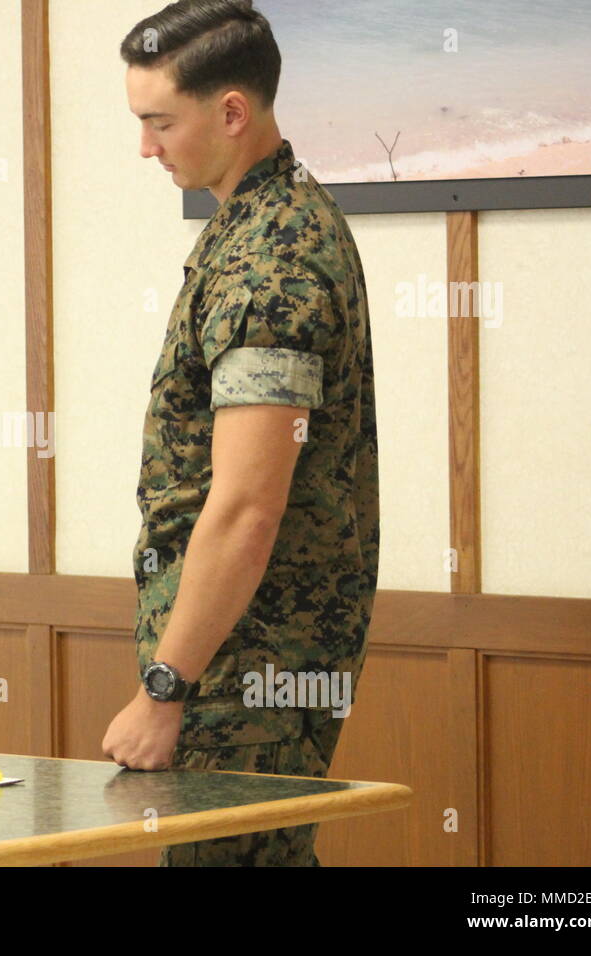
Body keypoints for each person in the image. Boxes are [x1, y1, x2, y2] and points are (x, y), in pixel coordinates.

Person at [101, 0, 380, 866]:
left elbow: (250, 505)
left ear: (232, 111)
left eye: (159, 122)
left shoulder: (275, 261)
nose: (146, 146)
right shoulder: (259, 221)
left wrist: (165, 686)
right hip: (239, 649)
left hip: (250, 659)